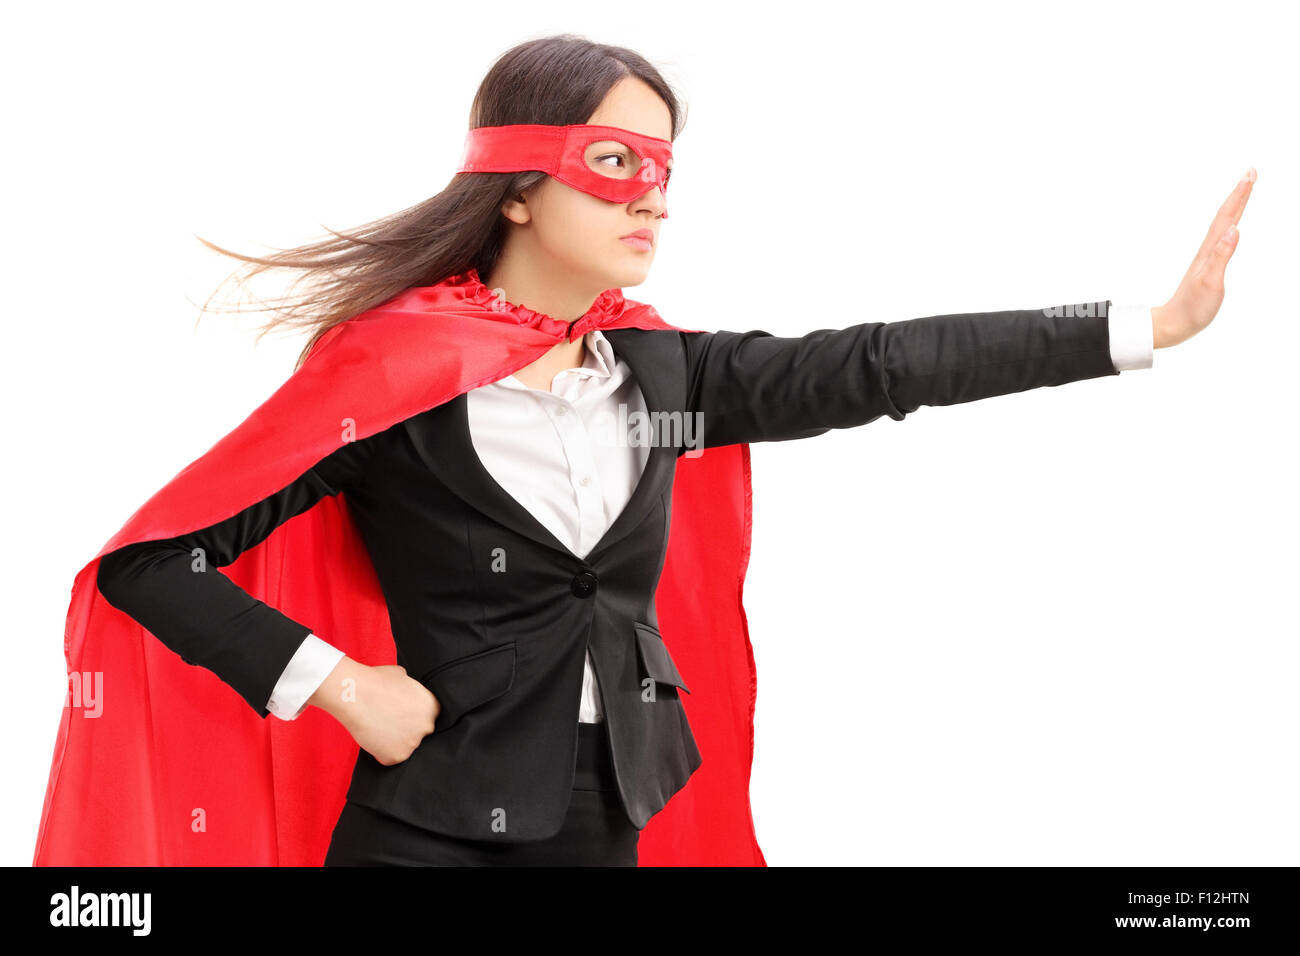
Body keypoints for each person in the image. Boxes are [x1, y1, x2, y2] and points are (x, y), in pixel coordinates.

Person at [40, 34, 1254, 867]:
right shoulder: (392, 374)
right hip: (427, 818)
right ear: (517, 186)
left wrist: (1141, 326)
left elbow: (885, 362)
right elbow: (154, 561)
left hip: (610, 805)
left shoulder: (666, 371)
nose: (650, 200)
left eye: (663, 172)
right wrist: (341, 684)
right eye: (615, 164)